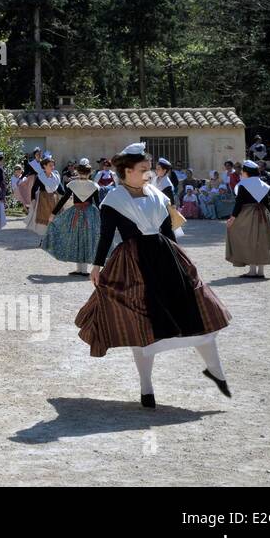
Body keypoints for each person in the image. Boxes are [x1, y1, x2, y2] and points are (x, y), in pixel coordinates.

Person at [76, 142, 232, 409]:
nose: (148, 174)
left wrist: (182, 261)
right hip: (133, 263)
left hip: (166, 258)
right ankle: (146, 389)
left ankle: (215, 371)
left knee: (195, 314)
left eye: (149, 169)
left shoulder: (158, 195)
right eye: (143, 169)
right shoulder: (113, 199)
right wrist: (97, 265)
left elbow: (168, 232)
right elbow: (105, 236)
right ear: (126, 171)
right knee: (142, 325)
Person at [43, 158, 101, 276]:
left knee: (77, 238)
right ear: (89, 173)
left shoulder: (73, 184)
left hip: (75, 212)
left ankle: (81, 269)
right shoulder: (94, 185)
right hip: (90, 214)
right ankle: (81, 269)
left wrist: (53, 213)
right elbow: (98, 203)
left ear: (78, 172)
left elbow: (63, 200)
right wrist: (103, 217)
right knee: (86, 239)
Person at [226, 159, 270, 279]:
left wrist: (232, 219)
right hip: (263, 214)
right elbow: (269, 202)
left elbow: (238, 204)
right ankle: (260, 271)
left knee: (249, 240)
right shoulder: (263, 184)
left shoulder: (244, 185)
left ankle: (252, 270)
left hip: (248, 214)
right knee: (261, 240)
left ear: (246, 172)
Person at [25, 156, 63, 237]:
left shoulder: (56, 177)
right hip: (43, 199)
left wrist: (67, 195)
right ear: (44, 166)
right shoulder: (41, 176)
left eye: (53, 165)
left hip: (54, 199)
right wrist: (33, 199)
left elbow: (60, 189)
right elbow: (34, 188)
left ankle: (53, 238)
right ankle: (44, 238)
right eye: (50, 165)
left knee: (54, 218)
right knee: (44, 219)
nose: (52, 167)